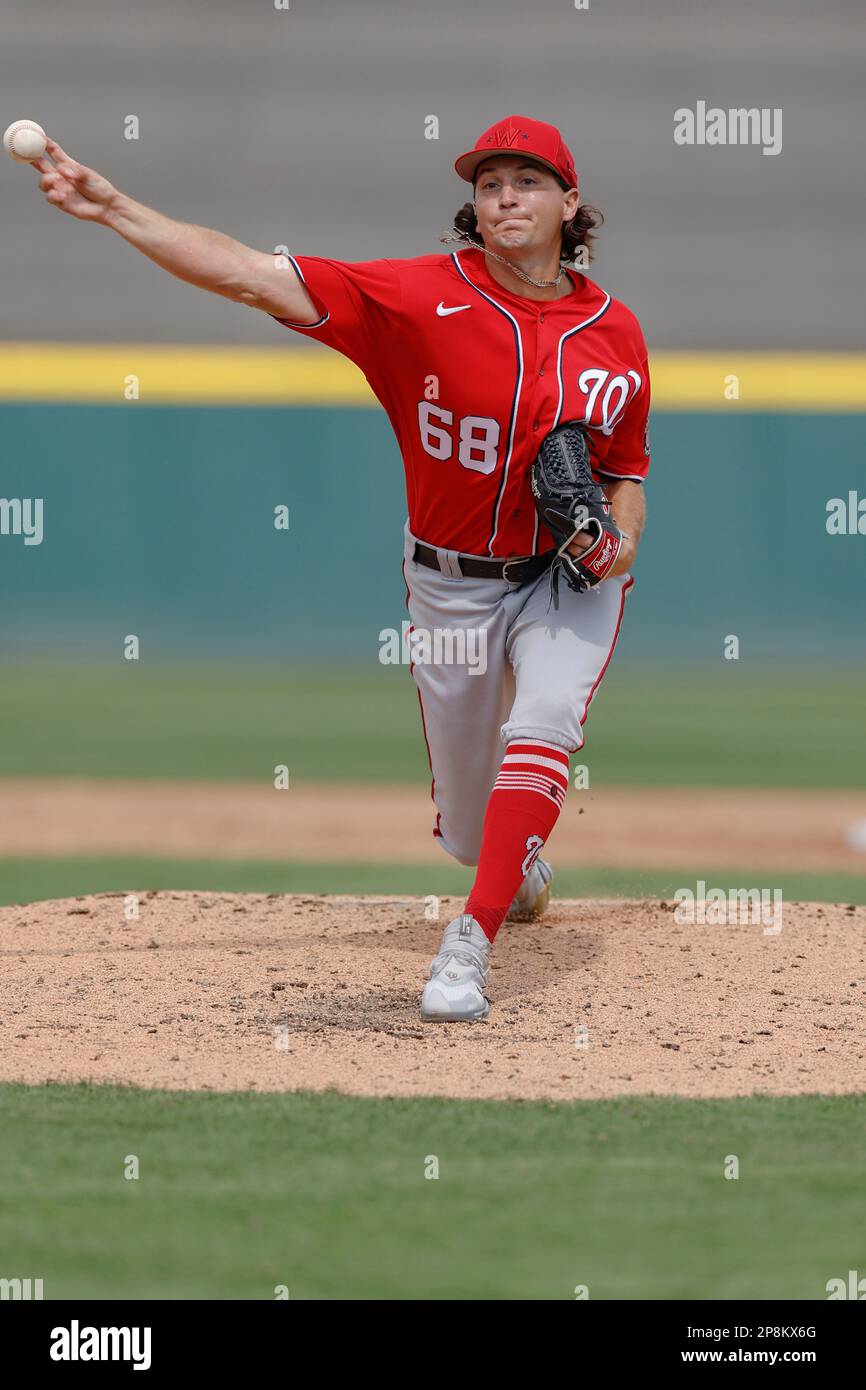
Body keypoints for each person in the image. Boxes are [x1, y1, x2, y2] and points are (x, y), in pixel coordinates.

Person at [33, 113, 650, 1023]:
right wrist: (116, 206)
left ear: (569, 203)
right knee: (472, 835)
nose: (504, 198)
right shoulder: (412, 299)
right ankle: (506, 865)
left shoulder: (616, 331)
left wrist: (618, 546)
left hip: (565, 583)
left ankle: (467, 947)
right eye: (488, 185)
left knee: (547, 722)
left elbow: (625, 473)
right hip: (452, 584)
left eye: (525, 182)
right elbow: (248, 273)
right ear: (472, 209)